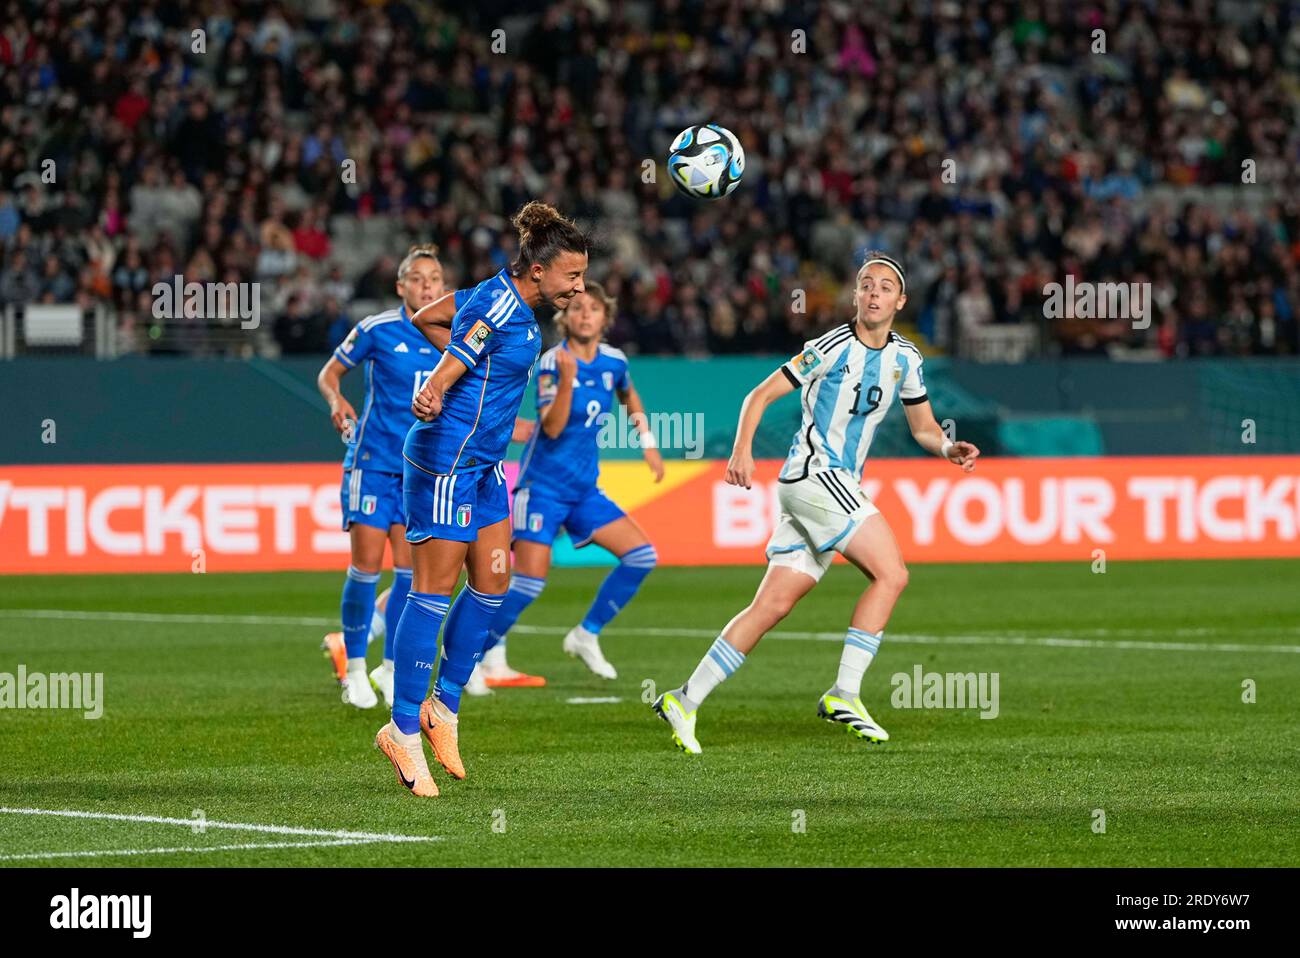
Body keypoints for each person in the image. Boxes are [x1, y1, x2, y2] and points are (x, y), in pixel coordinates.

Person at [652, 252, 980, 753]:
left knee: (772, 605)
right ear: (854, 296)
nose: (873, 293)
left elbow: (923, 427)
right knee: (892, 574)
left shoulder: (907, 359)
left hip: (824, 487)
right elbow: (758, 396)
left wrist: (947, 448)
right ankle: (844, 692)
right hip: (815, 476)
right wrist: (742, 450)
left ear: (901, 300)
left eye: (885, 287)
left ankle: (684, 698)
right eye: (865, 285)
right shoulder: (829, 347)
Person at [375, 201, 589, 798]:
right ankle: (400, 730)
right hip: (445, 458)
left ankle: (442, 710)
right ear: (538, 271)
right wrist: (438, 390)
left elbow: (427, 315)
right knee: (431, 592)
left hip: (485, 464)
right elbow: (457, 354)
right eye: (571, 276)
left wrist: (464, 365)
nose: (578, 287)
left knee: (494, 580)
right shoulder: (500, 305)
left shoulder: (502, 301)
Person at [480, 281, 663, 687]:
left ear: (605, 317)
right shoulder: (552, 362)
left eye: (593, 309)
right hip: (541, 488)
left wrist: (647, 444)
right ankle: (475, 656)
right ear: (565, 317)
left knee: (641, 556)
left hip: (583, 491)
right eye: (577, 307)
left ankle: (586, 635)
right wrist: (566, 381)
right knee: (527, 581)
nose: (584, 314)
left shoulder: (614, 362)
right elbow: (554, 426)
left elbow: (630, 397)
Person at [316, 245, 466, 708]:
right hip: (373, 463)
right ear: (401, 286)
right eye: (418, 279)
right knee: (365, 566)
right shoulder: (378, 329)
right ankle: (355, 670)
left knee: (409, 572)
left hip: (419, 470)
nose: (427, 286)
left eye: (435, 279)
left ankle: (390, 666)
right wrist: (337, 401)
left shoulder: (456, 334)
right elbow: (329, 374)